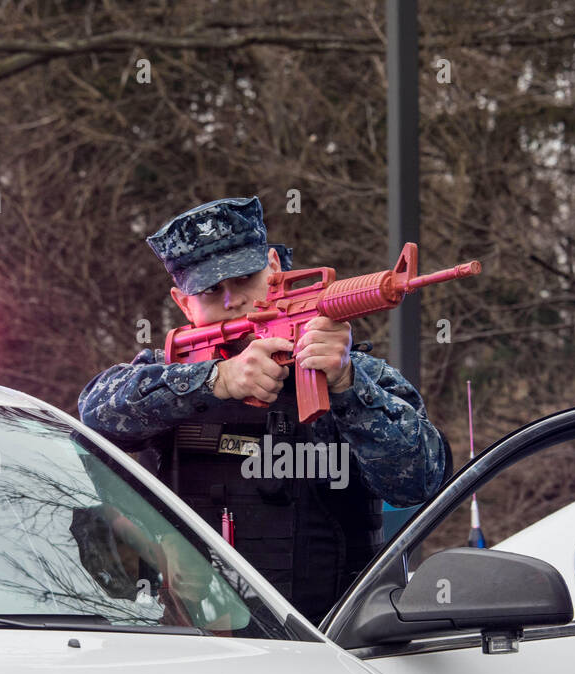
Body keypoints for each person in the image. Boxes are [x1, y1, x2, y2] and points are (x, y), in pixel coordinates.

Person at [77, 195, 448, 621]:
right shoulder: (169, 376)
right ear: (183, 303)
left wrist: (346, 383)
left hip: (339, 635)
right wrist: (216, 381)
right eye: (211, 290)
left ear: (274, 267)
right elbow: (95, 415)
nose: (233, 300)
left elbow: (419, 482)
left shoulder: (362, 375)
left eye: (245, 278)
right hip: (207, 636)